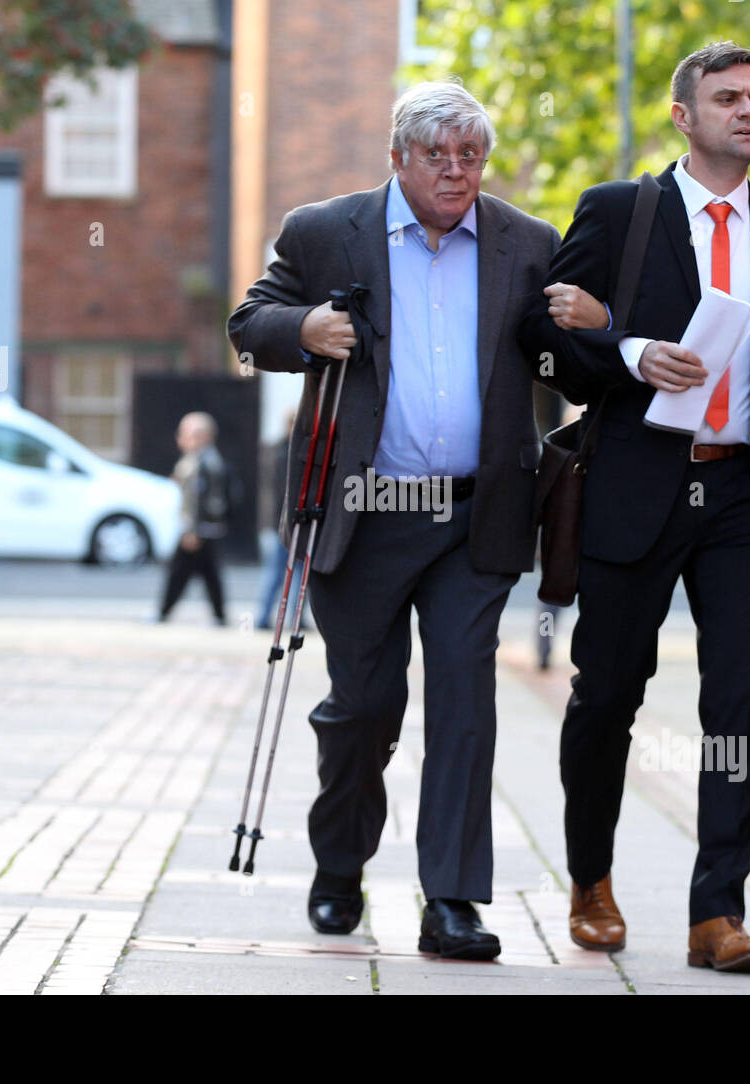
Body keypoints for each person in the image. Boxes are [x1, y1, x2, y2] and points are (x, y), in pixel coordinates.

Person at [519, 41, 750, 973]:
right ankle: (590, 883)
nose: (749, 111)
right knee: (608, 693)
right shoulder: (621, 211)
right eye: (728, 97)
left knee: (738, 706)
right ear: (682, 115)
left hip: (749, 497)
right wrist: (628, 352)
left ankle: (717, 914)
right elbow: (544, 331)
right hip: (636, 478)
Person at [228, 79, 559, 960]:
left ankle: (451, 899)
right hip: (364, 511)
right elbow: (248, 321)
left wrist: (600, 330)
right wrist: (305, 329)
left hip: (473, 515)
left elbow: (566, 362)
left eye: (471, 156)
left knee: (464, 701)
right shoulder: (324, 232)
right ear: (398, 159)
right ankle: (340, 863)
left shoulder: (527, 245)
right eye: (437, 156)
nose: (458, 172)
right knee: (365, 706)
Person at [158, 412, 229, 626]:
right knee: (208, 574)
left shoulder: (203, 463)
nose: (181, 438)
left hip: (198, 530)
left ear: (203, 436)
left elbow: (199, 499)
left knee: (179, 572)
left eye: (186, 434)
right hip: (204, 528)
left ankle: (163, 612)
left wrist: (192, 530)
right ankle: (219, 615)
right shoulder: (200, 460)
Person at [255, 410, 310, 632]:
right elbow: (280, 490)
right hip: (284, 522)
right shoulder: (283, 452)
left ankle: (293, 618)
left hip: (294, 520)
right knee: (278, 572)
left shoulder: (284, 449)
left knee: (295, 573)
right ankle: (267, 617)